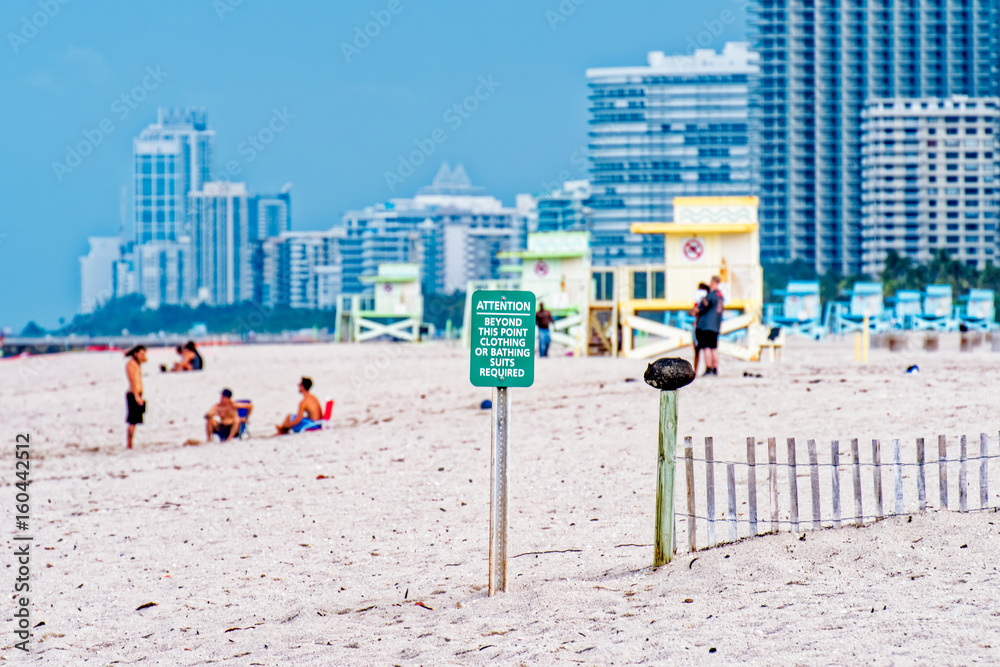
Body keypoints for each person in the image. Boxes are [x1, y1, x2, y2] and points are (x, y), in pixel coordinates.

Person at [694, 276, 724, 376]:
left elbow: (701, 307)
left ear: (713, 282)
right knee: (714, 348)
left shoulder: (711, 295)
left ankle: (708, 368)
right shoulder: (720, 295)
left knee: (706, 347)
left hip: (706, 325)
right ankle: (715, 368)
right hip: (716, 325)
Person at [125, 345, 147, 449]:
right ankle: (129, 443)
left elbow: (145, 360)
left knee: (136, 420)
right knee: (132, 421)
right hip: (133, 393)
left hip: (137, 393)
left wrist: (142, 356)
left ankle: (130, 443)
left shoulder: (137, 364)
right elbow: (132, 381)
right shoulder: (131, 364)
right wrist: (136, 396)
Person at [690, 283, 711, 374]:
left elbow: (697, 311)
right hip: (698, 327)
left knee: (704, 349)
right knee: (697, 350)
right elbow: (692, 312)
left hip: (702, 327)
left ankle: (707, 368)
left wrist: (703, 300)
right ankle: (696, 370)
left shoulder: (707, 301)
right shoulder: (699, 302)